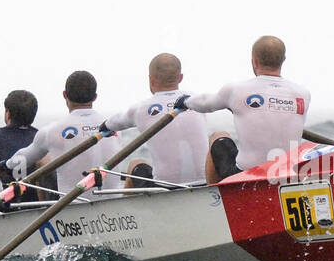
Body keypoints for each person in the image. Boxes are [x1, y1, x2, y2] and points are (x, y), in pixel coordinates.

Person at [174, 36, 310, 184]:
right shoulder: (303, 94)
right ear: (283, 60)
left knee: (218, 136)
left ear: (254, 61)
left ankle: (215, 198)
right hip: (287, 174)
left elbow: (206, 103)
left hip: (246, 175)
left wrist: (185, 101)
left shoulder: (236, 90)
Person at [5, 71, 123, 195]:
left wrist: (5, 166)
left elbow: (21, 158)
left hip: (72, 208)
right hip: (116, 208)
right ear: (95, 97)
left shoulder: (51, 131)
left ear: (64, 95)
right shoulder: (115, 127)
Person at [103, 53, 208, 188]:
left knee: (136, 163)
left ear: (151, 80)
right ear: (180, 78)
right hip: (206, 181)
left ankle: (125, 208)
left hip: (165, 186)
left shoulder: (139, 109)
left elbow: (111, 124)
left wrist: (104, 127)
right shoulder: (197, 100)